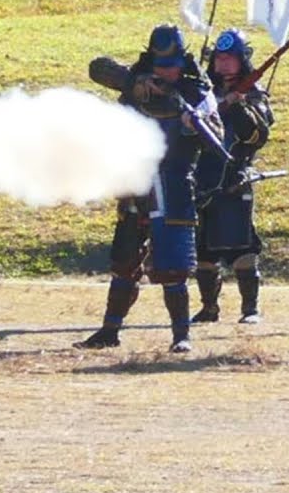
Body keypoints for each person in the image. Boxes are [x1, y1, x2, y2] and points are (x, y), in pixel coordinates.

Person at [79, 25, 221, 352]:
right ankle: (110, 330)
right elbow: (98, 68)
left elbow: (216, 135)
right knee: (124, 260)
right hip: (135, 180)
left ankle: (181, 336)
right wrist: (136, 82)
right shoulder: (137, 80)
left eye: (172, 66)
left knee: (173, 265)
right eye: (161, 66)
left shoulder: (198, 92)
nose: (166, 72)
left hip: (174, 181)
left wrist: (192, 126)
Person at [192, 29, 274, 324]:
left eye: (230, 58)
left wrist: (237, 105)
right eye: (220, 58)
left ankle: (250, 309)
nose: (224, 64)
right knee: (203, 249)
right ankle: (209, 307)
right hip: (203, 176)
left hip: (234, 177)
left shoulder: (253, 94)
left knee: (242, 247)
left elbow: (257, 135)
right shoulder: (203, 91)